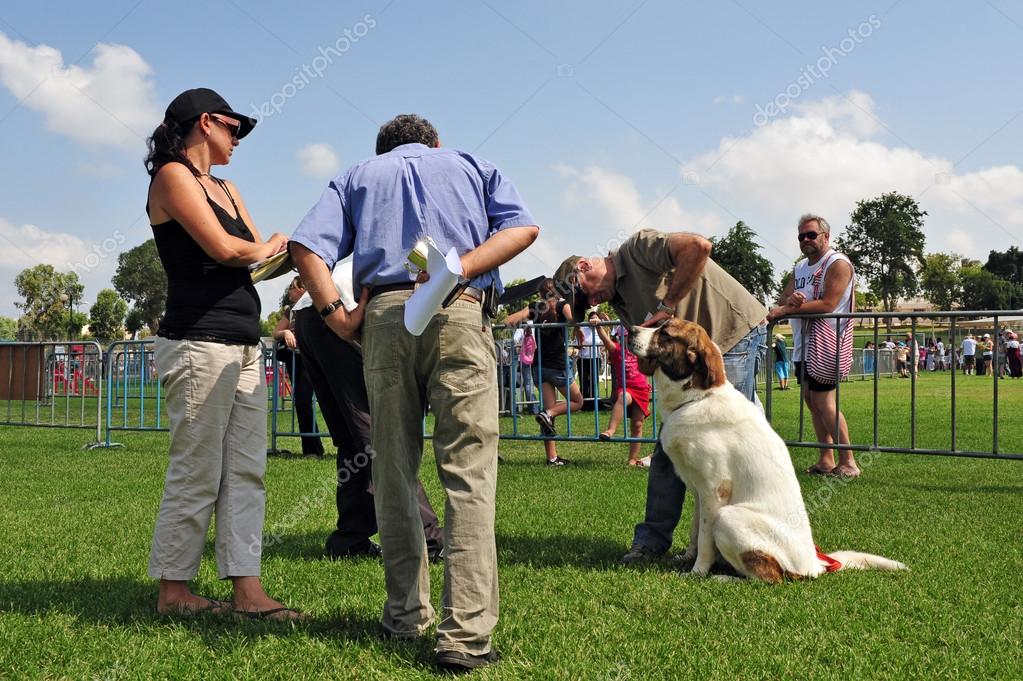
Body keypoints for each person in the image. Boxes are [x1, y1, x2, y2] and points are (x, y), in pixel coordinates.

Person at [290, 114, 538, 671]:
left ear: (382, 150)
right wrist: (459, 267)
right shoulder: (471, 163)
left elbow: (305, 247)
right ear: (435, 143)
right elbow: (523, 229)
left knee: (394, 471)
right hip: (459, 305)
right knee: (468, 473)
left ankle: (405, 615)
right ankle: (465, 636)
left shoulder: (356, 176)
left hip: (384, 316)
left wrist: (337, 317)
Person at [144, 88, 300, 619]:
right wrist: (272, 244)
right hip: (196, 342)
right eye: (234, 128)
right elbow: (228, 249)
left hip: (244, 342)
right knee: (197, 470)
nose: (238, 139)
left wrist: (282, 252)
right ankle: (174, 592)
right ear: (206, 123)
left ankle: (247, 591)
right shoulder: (172, 176)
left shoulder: (229, 188)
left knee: (246, 472)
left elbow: (255, 261)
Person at [553, 228, 767, 564]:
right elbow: (652, 353)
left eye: (585, 295)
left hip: (731, 333)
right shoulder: (620, 302)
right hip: (694, 356)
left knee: (730, 447)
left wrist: (668, 306)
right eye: (585, 305)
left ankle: (732, 548)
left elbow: (698, 247)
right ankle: (653, 542)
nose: (592, 303)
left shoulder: (637, 248)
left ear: (583, 267)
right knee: (669, 445)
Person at [289, 261, 444, 561]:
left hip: (313, 312)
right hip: (338, 310)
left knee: (353, 439)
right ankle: (429, 539)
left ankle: (351, 539)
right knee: (380, 436)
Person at [768, 213, 859, 479]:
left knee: (823, 400)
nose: (805, 240)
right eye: (801, 236)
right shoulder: (800, 268)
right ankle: (826, 459)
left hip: (827, 342)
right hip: (804, 343)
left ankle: (849, 461)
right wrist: (790, 301)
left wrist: (787, 309)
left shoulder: (837, 263)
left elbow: (828, 304)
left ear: (826, 236)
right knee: (811, 399)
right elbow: (783, 297)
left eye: (811, 235)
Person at [505, 278, 582, 466]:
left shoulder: (535, 307)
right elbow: (573, 320)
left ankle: (552, 457)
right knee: (578, 401)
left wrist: (526, 322)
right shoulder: (562, 305)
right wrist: (578, 327)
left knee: (549, 418)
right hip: (558, 366)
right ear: (557, 291)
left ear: (540, 293)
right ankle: (548, 413)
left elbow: (508, 321)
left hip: (539, 367)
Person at [273, 276, 324, 457]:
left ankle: (321, 447)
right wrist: (286, 332)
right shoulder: (291, 310)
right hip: (295, 360)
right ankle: (312, 448)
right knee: (302, 402)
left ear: (303, 289)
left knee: (309, 401)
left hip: (314, 358)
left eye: (292, 287)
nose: (289, 291)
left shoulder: (317, 305)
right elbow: (275, 333)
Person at [592, 312, 651, 467]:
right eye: (625, 337)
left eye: (631, 337)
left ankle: (632, 459)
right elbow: (605, 339)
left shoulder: (642, 352)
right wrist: (598, 326)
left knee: (637, 425)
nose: (628, 340)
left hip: (642, 390)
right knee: (623, 397)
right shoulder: (617, 350)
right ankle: (610, 430)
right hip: (626, 389)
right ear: (620, 337)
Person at [515, 322, 539, 414]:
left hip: (524, 360)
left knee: (528, 383)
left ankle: (533, 408)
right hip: (535, 358)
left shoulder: (521, 327)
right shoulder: (535, 325)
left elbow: (515, 339)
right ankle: (537, 406)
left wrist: (518, 348)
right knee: (537, 382)